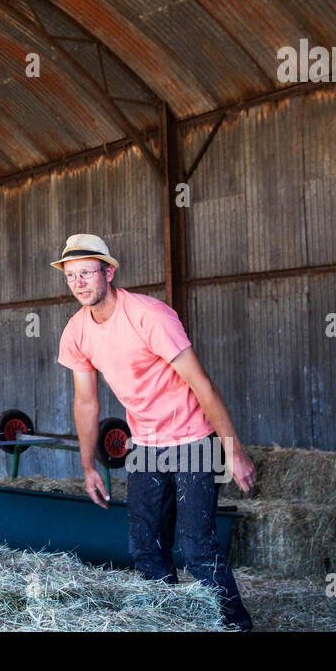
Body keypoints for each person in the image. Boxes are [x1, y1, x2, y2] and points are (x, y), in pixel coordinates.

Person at [53, 233, 256, 630]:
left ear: (108, 272)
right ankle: (167, 623)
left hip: (194, 439)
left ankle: (235, 626)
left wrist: (233, 451)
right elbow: (87, 403)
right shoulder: (76, 332)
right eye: (71, 276)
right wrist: (88, 466)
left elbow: (202, 384)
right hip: (144, 446)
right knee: (146, 547)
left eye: (86, 273)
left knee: (197, 547)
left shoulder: (150, 316)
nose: (78, 283)